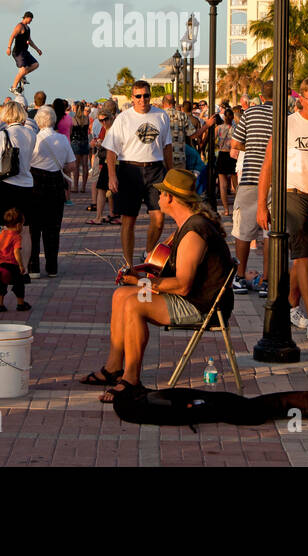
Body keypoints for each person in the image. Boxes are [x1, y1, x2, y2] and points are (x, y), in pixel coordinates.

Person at [80, 169, 233, 402]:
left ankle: (131, 381)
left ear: (171, 198)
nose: (158, 197)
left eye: (160, 193)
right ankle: (113, 368)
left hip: (201, 305)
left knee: (134, 305)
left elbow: (182, 286)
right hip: (192, 296)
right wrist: (140, 276)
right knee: (122, 295)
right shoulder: (187, 224)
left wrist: (144, 282)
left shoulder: (194, 231)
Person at [258, 75, 308, 341]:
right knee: (302, 258)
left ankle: (291, 307)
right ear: (300, 99)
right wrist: (261, 205)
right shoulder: (287, 125)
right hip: (294, 195)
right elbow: (267, 166)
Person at [104, 81, 173, 266]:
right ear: (132, 98)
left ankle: (148, 253)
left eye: (146, 95)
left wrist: (171, 174)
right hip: (130, 169)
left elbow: (167, 147)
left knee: (159, 218)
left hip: (155, 169)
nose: (143, 100)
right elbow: (111, 151)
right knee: (129, 220)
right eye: (138, 96)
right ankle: (128, 264)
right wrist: (112, 175)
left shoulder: (161, 116)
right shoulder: (123, 118)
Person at [230, 81, 274, 294]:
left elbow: (236, 144)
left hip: (250, 177)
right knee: (269, 233)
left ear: (261, 96)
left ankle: (239, 276)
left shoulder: (250, 113)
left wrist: (253, 145)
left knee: (243, 232)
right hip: (275, 180)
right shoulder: (286, 116)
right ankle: (266, 280)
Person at [0, 100, 37, 274]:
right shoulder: (31, 133)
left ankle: (6, 264)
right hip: (26, 182)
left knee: (6, 228)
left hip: (8, 185)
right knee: (25, 228)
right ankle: (24, 268)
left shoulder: (4, 134)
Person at [30, 105, 77, 276]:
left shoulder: (33, 139)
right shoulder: (63, 139)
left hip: (35, 182)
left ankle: (33, 266)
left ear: (38, 121)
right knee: (53, 227)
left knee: (34, 226)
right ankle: (52, 267)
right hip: (56, 182)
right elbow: (72, 165)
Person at [0, 208, 32, 313]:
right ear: (19, 225)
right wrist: (21, 265)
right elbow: (16, 252)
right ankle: (20, 304)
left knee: (0, 285)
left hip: (0, 266)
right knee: (19, 284)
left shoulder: (2, 234)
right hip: (12, 265)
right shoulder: (17, 237)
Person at [7, 10, 42, 93]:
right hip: (18, 52)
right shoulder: (19, 26)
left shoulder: (28, 28)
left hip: (25, 52)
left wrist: (37, 49)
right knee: (22, 70)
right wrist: (9, 47)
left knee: (35, 64)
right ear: (27, 17)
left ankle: (22, 76)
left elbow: (29, 40)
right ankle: (13, 87)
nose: (31, 21)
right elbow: (12, 36)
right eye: (31, 19)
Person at [70, 101, 92, 194]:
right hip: (85, 142)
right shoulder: (86, 118)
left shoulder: (73, 119)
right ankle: (83, 186)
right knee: (85, 166)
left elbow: (71, 132)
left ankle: (75, 186)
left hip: (76, 143)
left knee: (76, 167)